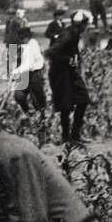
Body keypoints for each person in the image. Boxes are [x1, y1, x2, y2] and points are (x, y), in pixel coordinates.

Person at [46, 10, 90, 144]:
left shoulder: (74, 33)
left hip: (69, 72)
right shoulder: (68, 35)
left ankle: (75, 134)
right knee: (65, 105)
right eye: (86, 24)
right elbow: (50, 52)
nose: (87, 27)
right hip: (60, 73)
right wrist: (68, 59)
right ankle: (66, 137)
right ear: (82, 24)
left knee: (83, 99)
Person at [11, 29, 47, 114]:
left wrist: (15, 72)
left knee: (37, 99)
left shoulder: (31, 46)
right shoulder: (30, 43)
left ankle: (41, 117)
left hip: (34, 74)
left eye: (21, 38)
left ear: (26, 38)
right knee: (19, 95)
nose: (20, 40)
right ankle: (28, 112)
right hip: (26, 74)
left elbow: (29, 65)